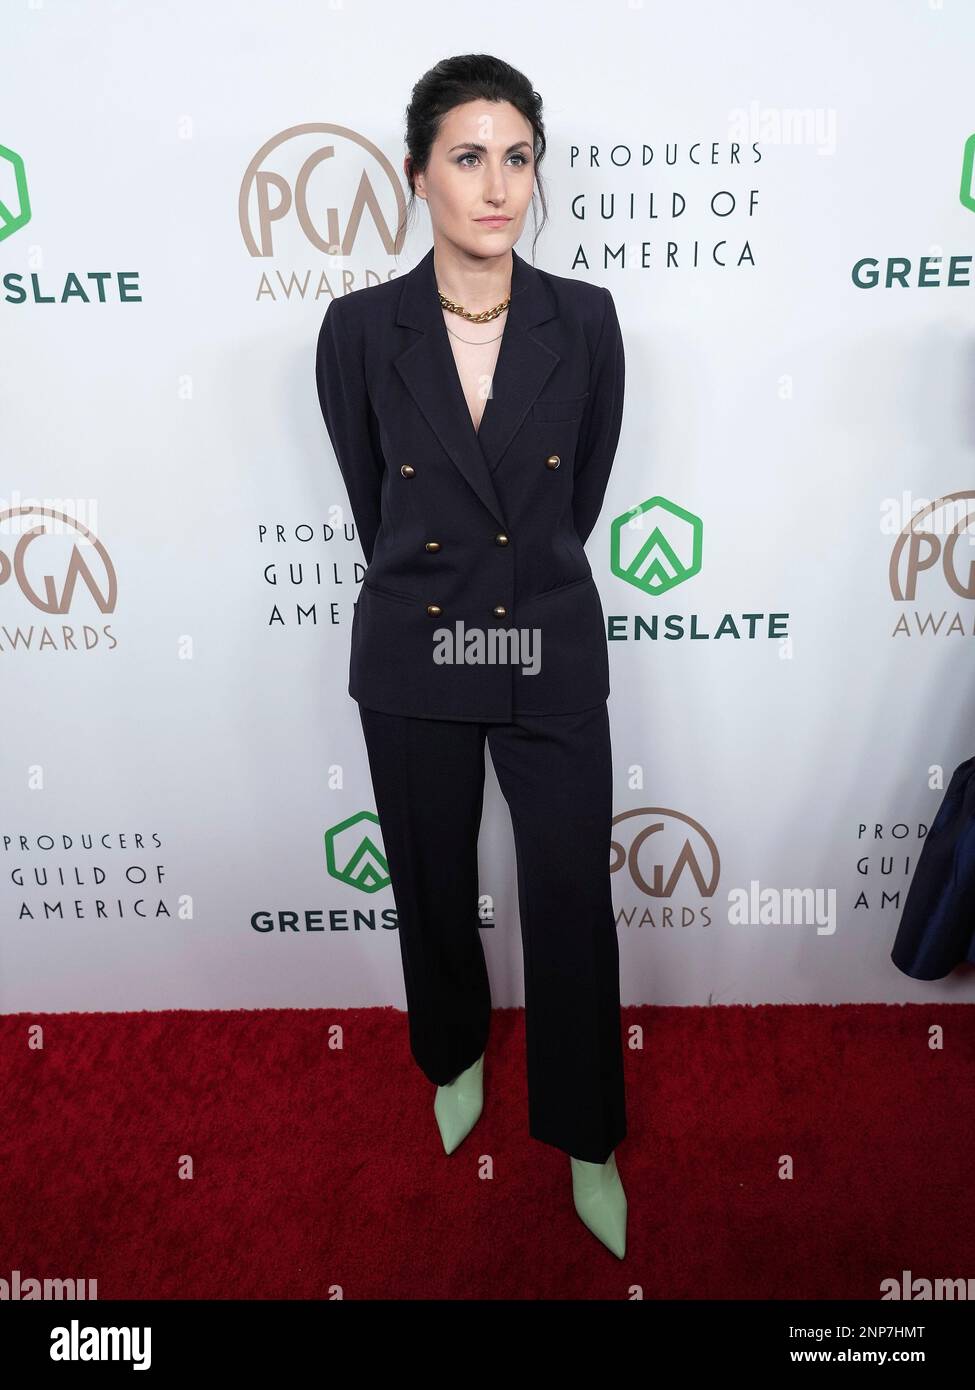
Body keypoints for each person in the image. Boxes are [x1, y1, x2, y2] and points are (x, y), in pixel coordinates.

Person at [315, 53, 628, 1259]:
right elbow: (371, 501)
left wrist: (515, 585)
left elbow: (577, 497)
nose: (496, 185)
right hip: (415, 646)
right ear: (416, 175)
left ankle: (587, 1132)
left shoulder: (586, 319)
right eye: (466, 157)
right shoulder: (356, 329)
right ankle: (452, 1053)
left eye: (517, 157)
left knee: (566, 895)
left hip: (546, 642)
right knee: (431, 881)